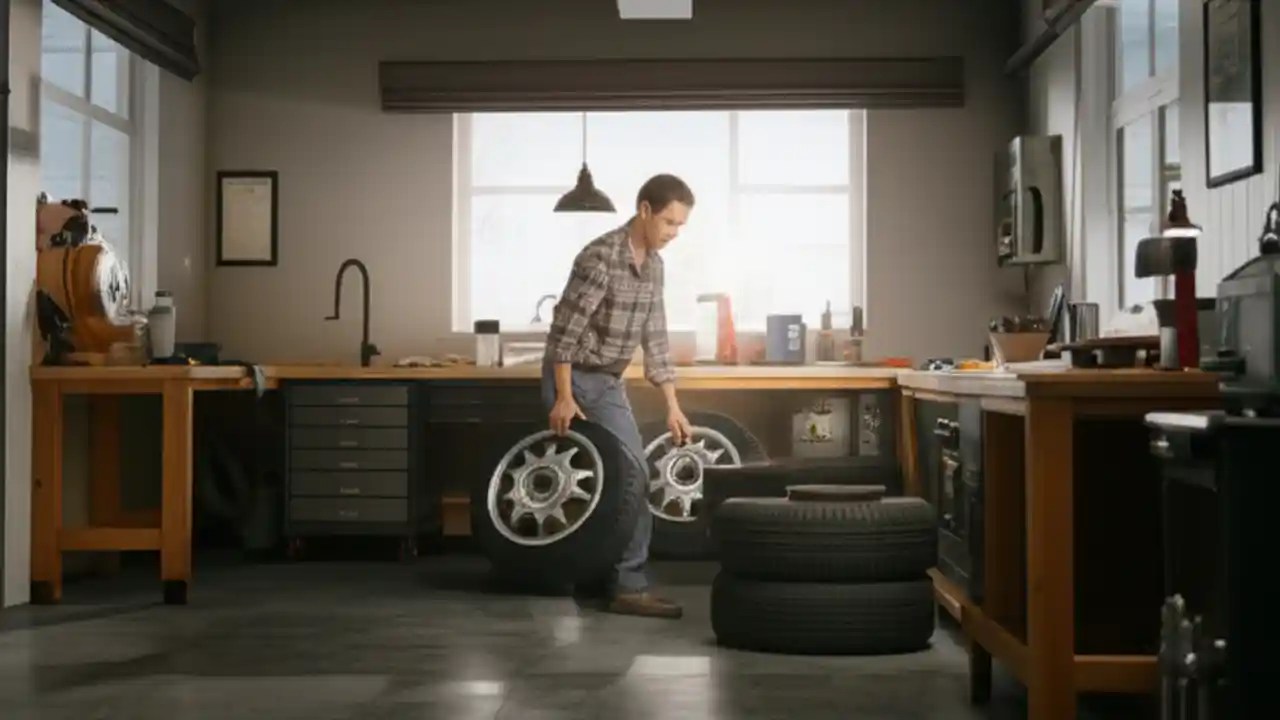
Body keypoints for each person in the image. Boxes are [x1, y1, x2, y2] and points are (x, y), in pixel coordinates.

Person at [541, 173, 695, 619]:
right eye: (668, 223)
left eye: (680, 226)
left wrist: (672, 406)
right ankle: (626, 585)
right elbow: (564, 333)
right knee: (623, 474)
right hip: (573, 376)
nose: (673, 234)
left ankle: (608, 581)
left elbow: (656, 338)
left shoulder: (655, 267)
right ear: (644, 210)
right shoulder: (600, 258)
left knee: (622, 475)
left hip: (606, 379)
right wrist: (564, 397)